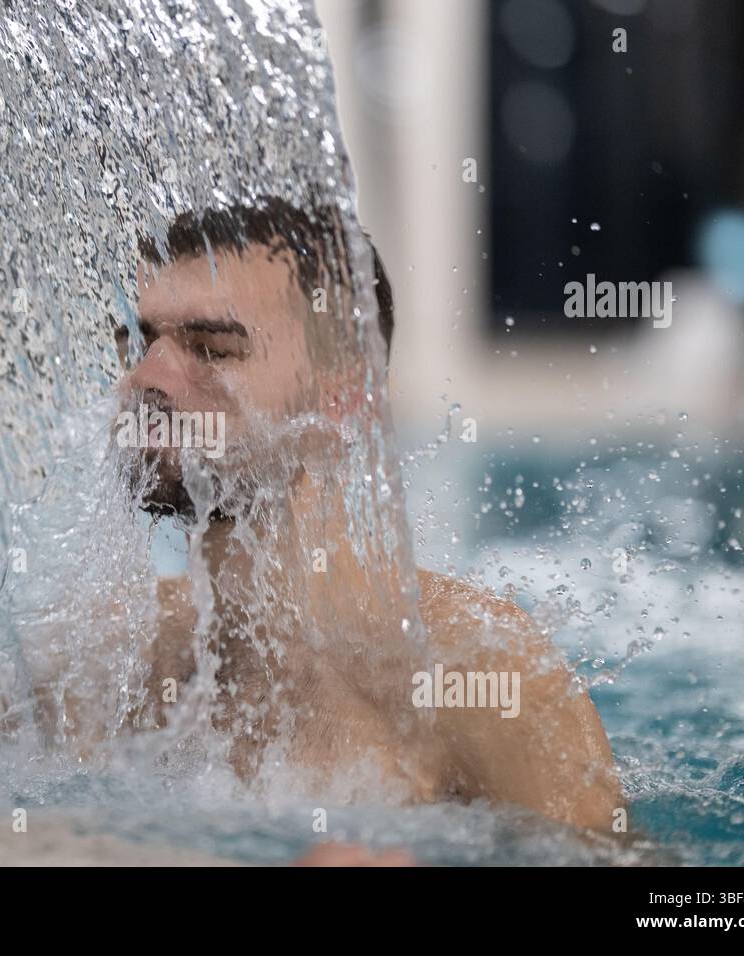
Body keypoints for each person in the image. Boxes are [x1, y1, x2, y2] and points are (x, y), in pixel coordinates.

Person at [37, 196, 621, 833]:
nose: (144, 377)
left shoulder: (477, 677)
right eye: (141, 341)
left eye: (212, 349)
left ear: (345, 398)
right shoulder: (108, 664)